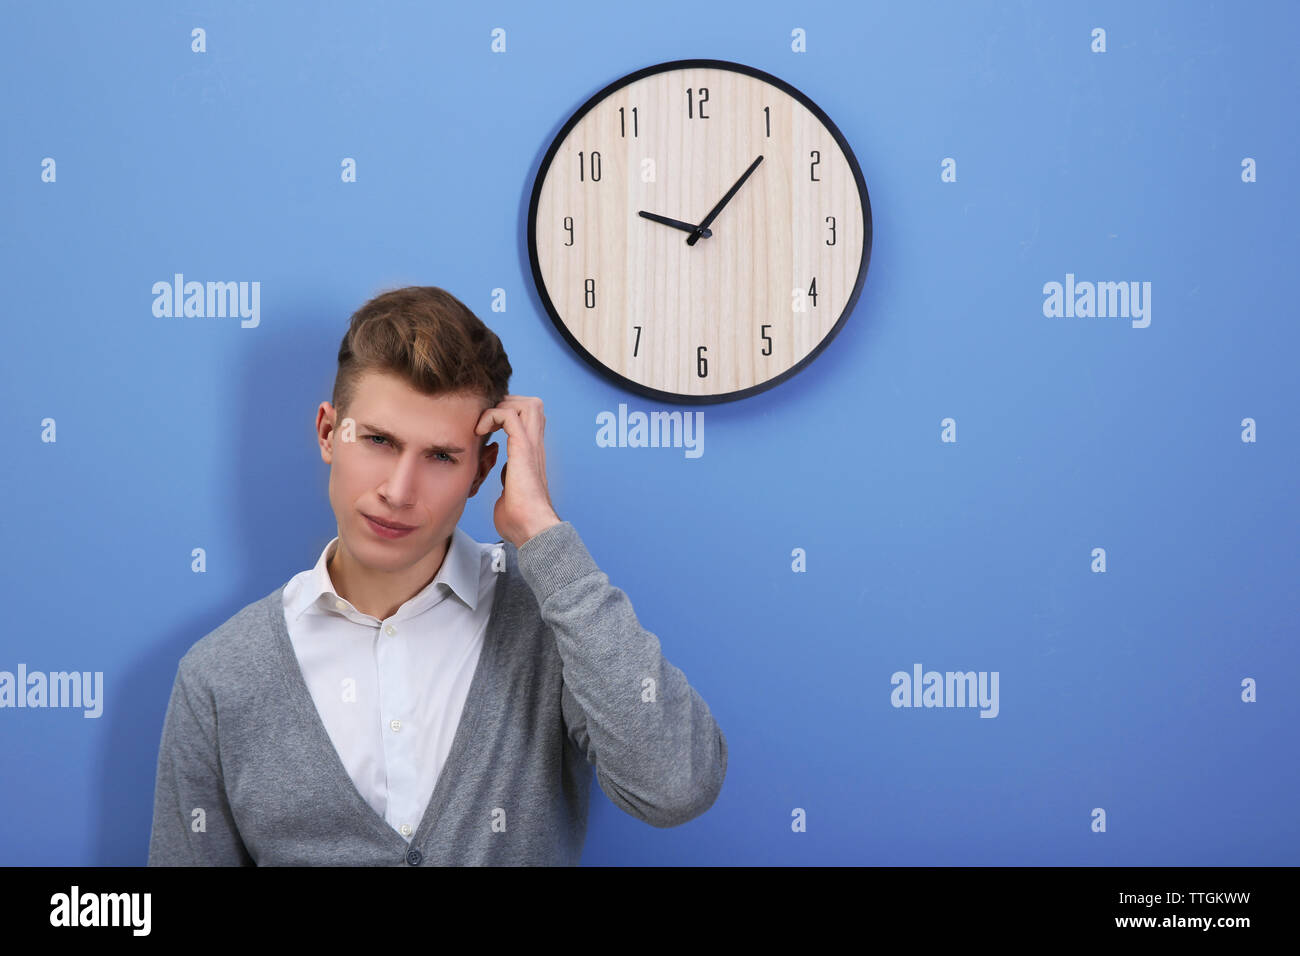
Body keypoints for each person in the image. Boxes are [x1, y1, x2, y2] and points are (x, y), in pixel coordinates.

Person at [147, 286, 728, 865]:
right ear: (329, 433)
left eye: (442, 457)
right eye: (378, 440)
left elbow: (677, 787)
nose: (398, 493)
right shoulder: (220, 676)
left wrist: (543, 536)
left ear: (481, 472)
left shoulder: (552, 631)